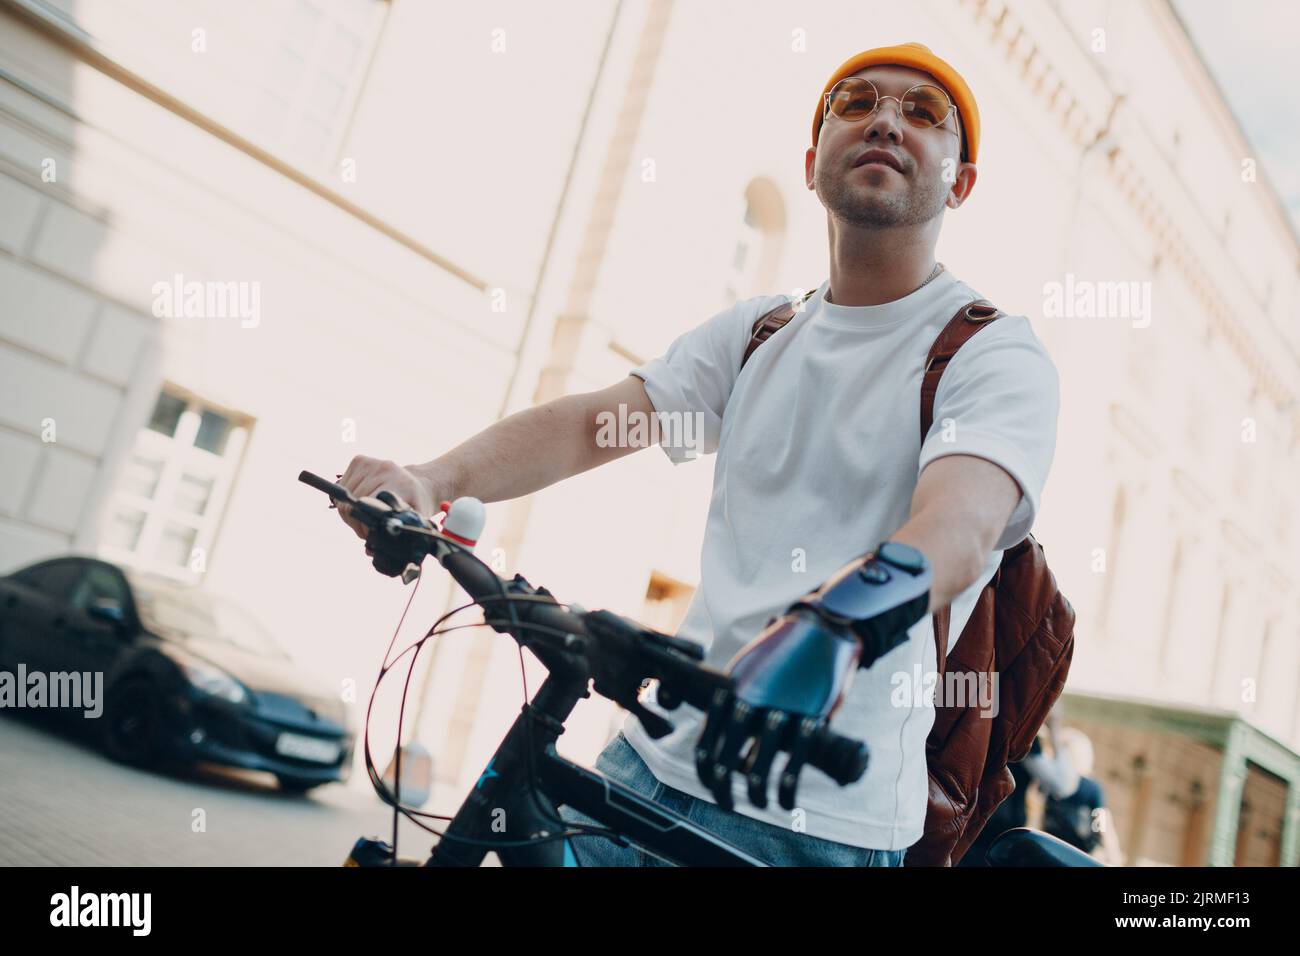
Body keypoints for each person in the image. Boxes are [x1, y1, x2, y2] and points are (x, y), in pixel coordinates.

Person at [333, 42, 1060, 866]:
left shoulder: (991, 353)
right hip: (647, 756)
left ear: (959, 182)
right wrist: (432, 480)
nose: (884, 119)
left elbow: (959, 529)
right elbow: (598, 424)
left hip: (811, 819)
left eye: (923, 113)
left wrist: (835, 624)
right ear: (813, 158)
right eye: (853, 103)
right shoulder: (761, 335)